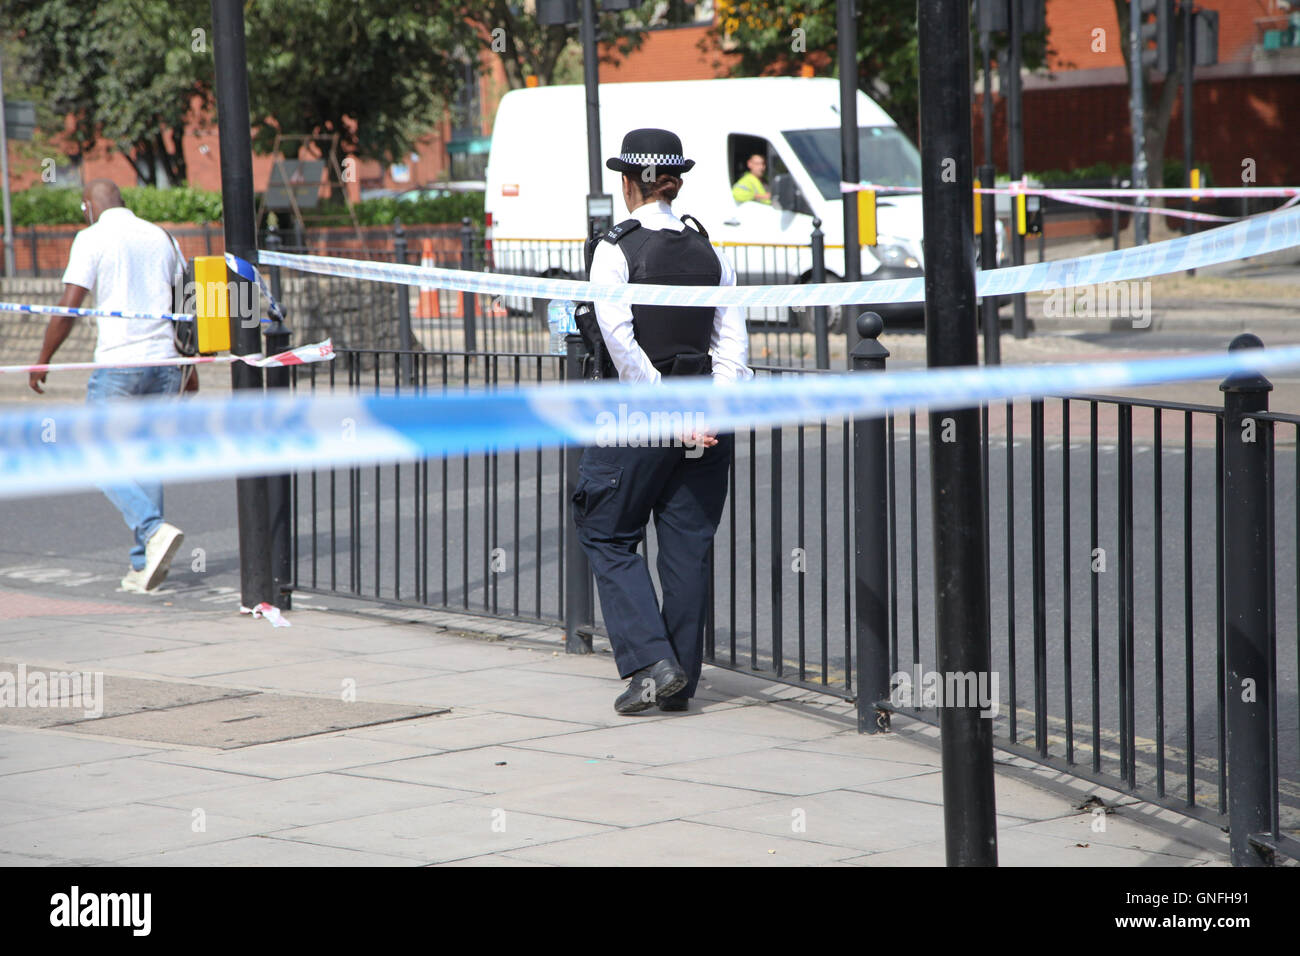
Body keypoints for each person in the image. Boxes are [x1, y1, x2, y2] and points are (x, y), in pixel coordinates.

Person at [575, 128, 752, 715]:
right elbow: (733, 348)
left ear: (630, 182)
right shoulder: (710, 253)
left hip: (637, 417)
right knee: (685, 548)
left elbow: (622, 346)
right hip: (704, 420)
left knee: (606, 531)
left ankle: (653, 664)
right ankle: (680, 683)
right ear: (674, 182)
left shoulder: (613, 250)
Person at [30, 178, 186, 594]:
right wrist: (192, 366)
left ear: (89, 207)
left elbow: (68, 308)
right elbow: (186, 306)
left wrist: (43, 358)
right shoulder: (163, 237)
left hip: (120, 364)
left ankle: (152, 532)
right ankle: (144, 563)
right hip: (166, 362)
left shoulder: (91, 237)